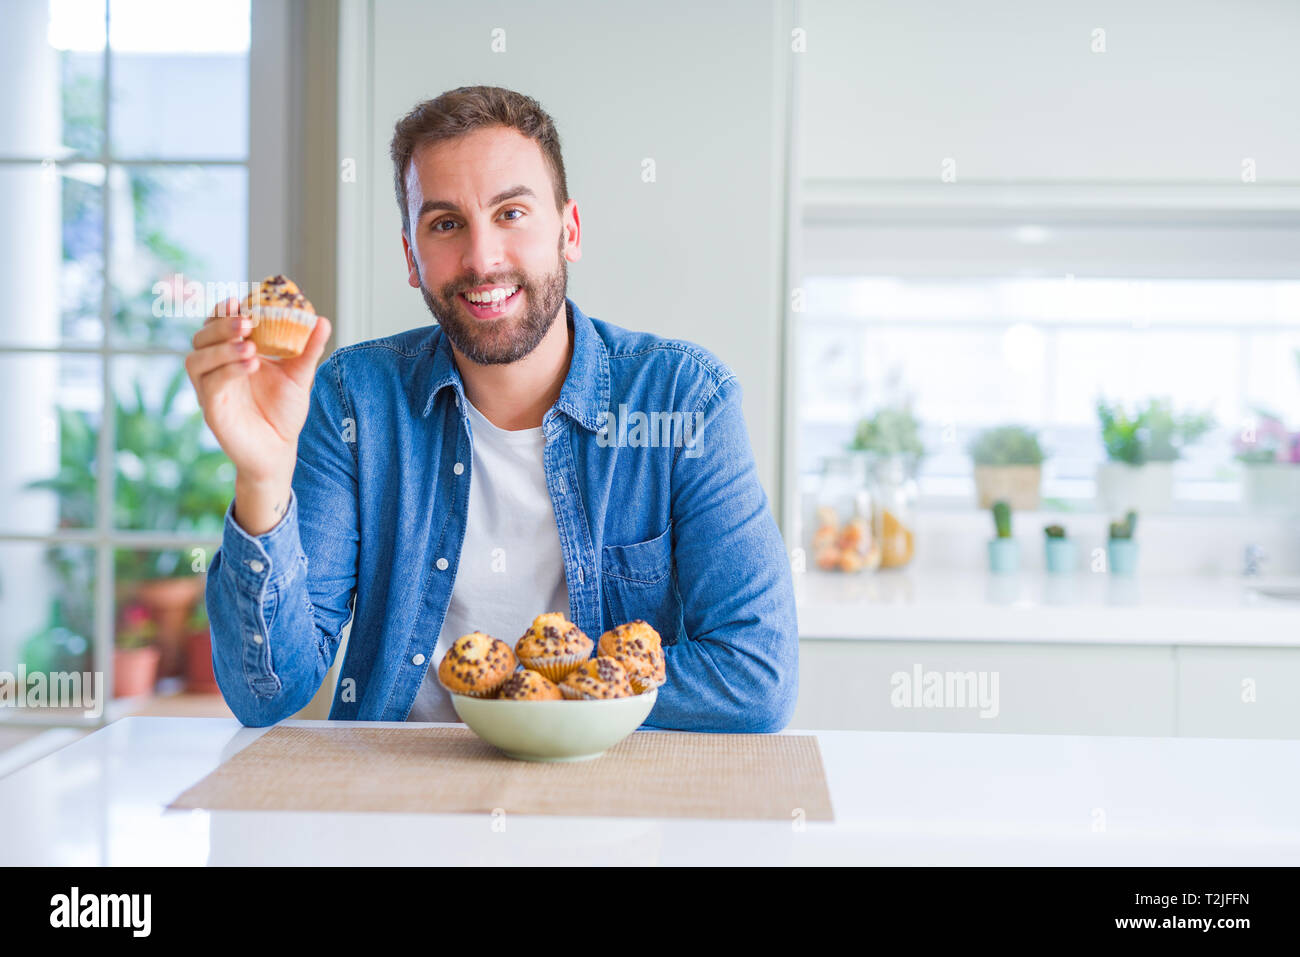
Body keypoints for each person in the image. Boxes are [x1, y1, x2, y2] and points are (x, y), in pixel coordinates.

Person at [185, 85, 797, 731]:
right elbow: (266, 696)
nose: (482, 260)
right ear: (411, 257)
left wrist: (527, 706)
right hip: (397, 802)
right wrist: (262, 478)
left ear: (570, 231)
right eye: (446, 224)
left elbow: (755, 677)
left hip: (606, 798)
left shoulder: (681, 399)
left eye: (511, 213)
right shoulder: (352, 400)